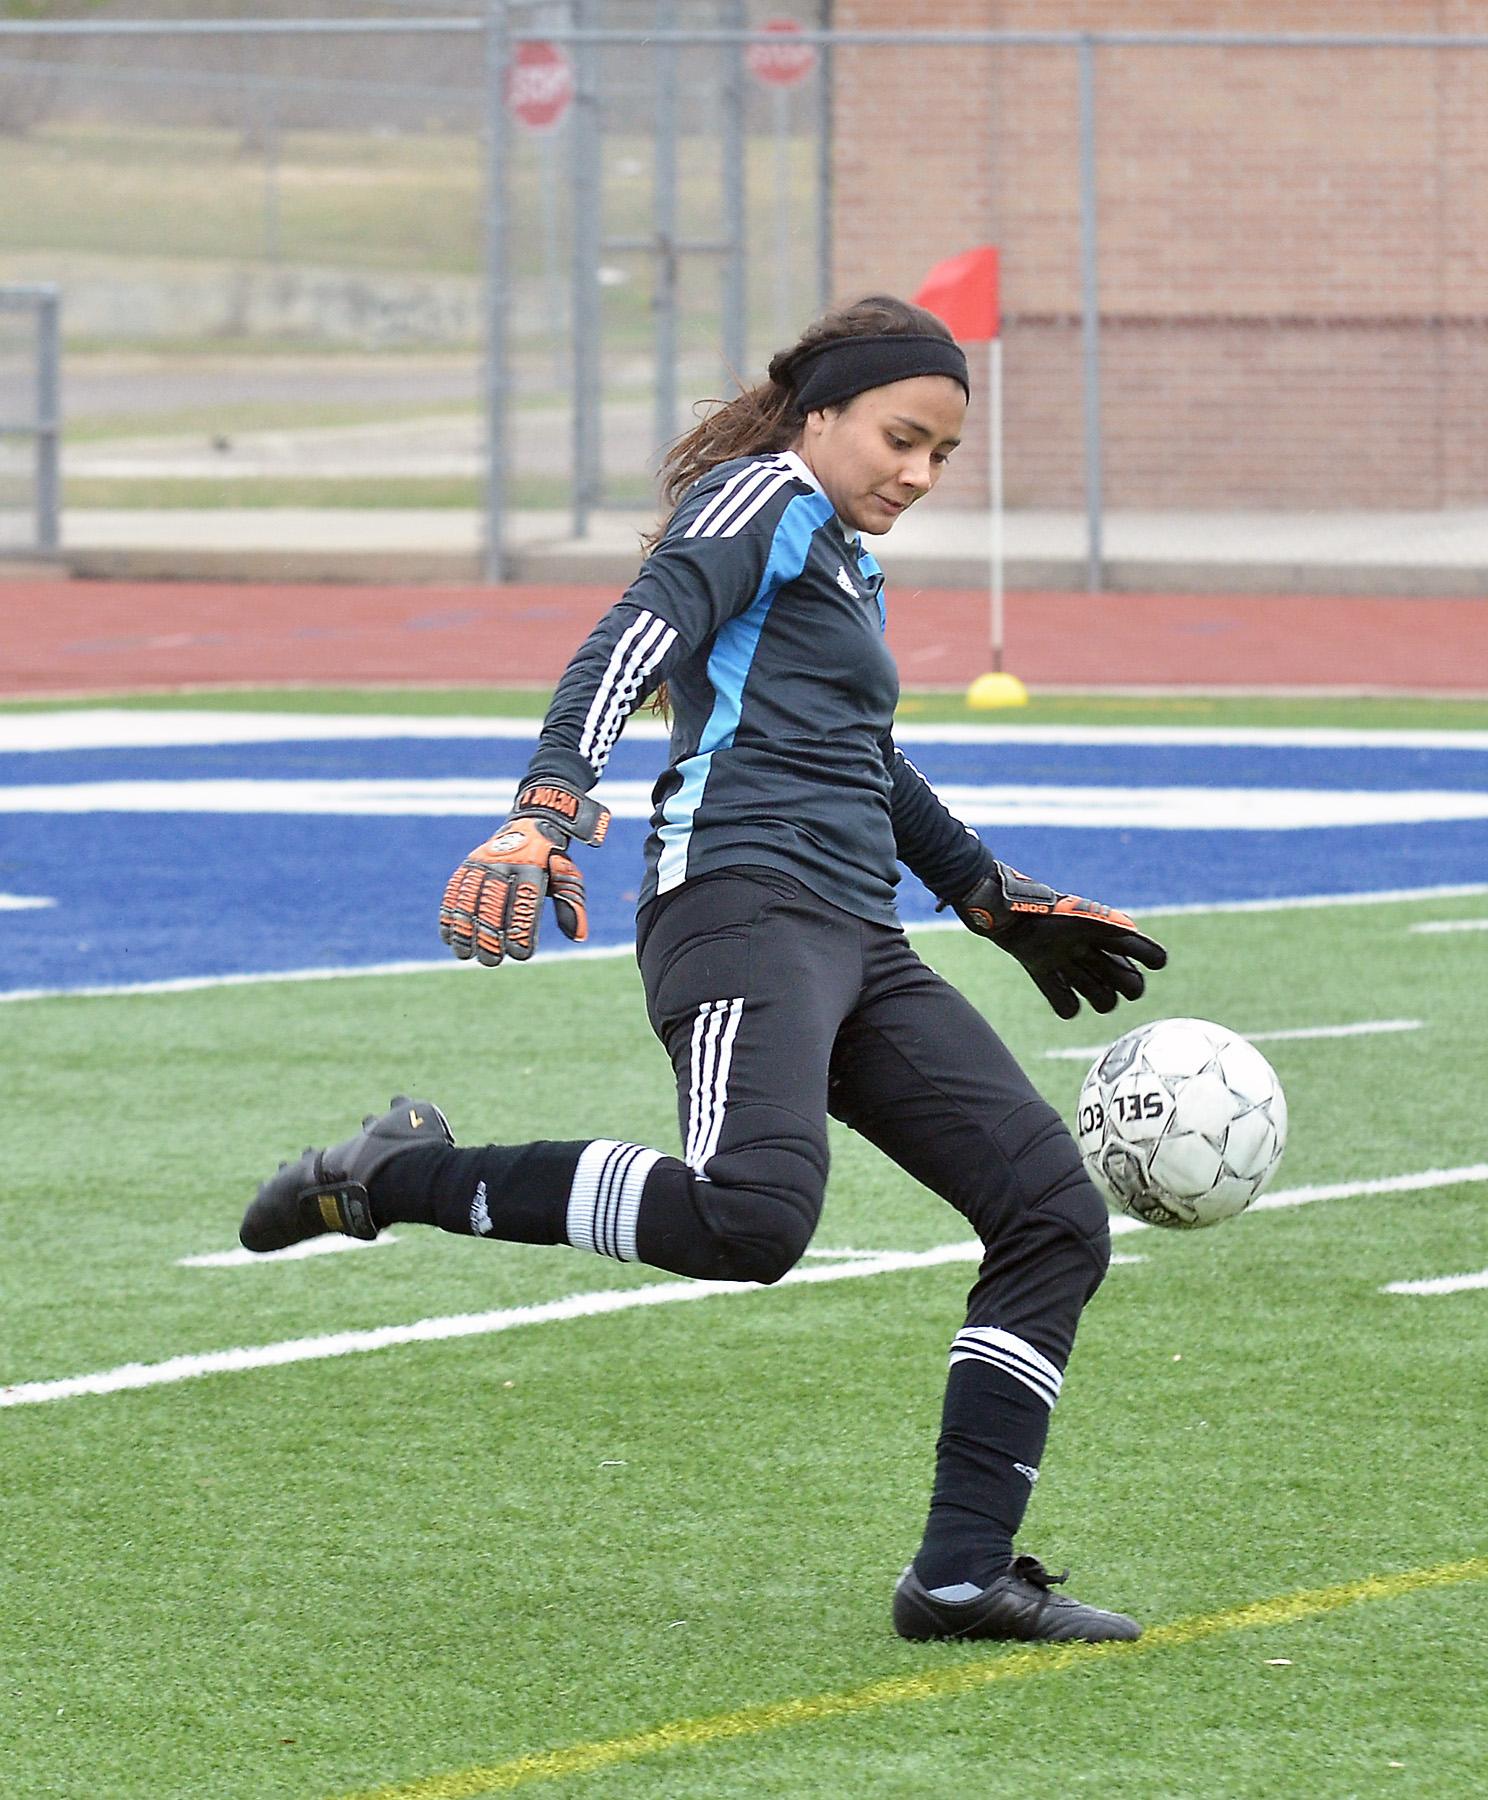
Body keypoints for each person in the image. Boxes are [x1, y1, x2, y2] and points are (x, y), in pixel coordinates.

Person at [241, 295, 1166, 1645]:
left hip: (856, 933)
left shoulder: (843, 555)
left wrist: (983, 891)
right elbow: (637, 635)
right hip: (740, 906)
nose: (914, 474)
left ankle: (962, 1573)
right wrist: (544, 803)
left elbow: (865, 757)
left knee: (1051, 1218)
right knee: (754, 1221)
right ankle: (394, 1176)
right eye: (899, 440)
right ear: (822, 417)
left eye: (941, 458)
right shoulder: (761, 497)